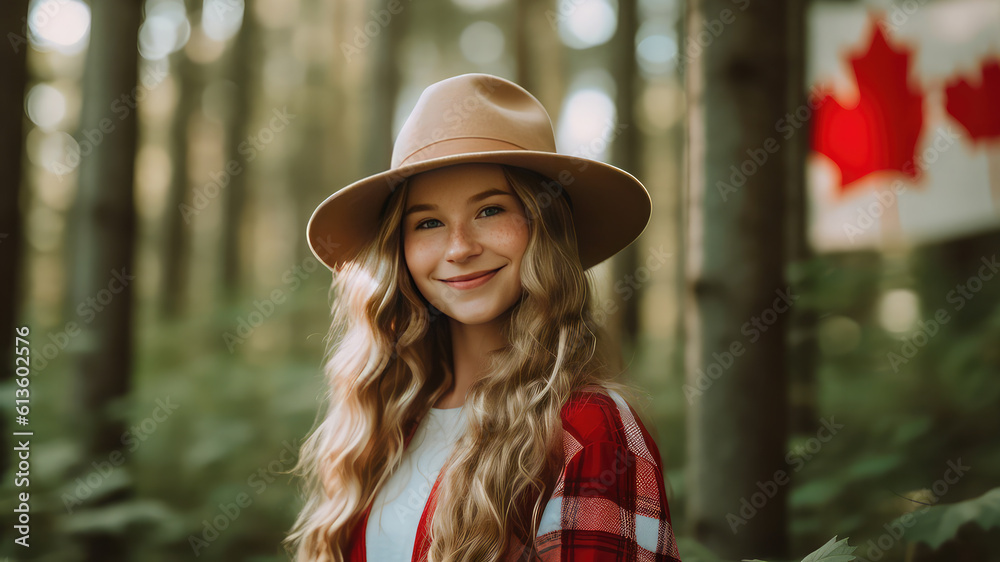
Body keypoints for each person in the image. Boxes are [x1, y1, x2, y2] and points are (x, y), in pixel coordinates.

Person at [284, 73, 682, 562]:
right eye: (428, 222)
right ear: (400, 250)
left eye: (491, 210)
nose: (460, 248)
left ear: (544, 228)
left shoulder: (586, 429)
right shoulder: (384, 424)